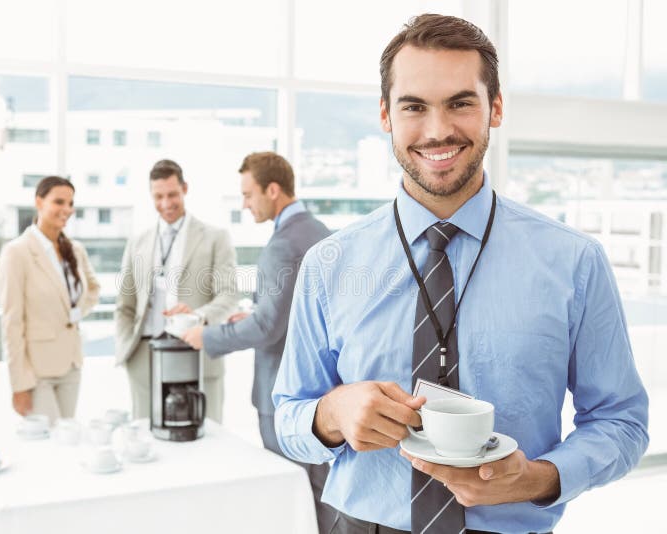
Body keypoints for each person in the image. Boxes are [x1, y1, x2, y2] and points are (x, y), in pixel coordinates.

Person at [272, 14, 649, 534]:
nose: (437, 130)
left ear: (494, 108)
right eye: (414, 107)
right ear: (386, 115)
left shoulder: (574, 262)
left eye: (460, 102)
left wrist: (538, 478)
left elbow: (622, 421)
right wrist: (330, 415)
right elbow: (288, 415)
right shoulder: (327, 264)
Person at [181, 152, 336, 534]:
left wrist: (208, 336)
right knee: (320, 491)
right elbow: (290, 314)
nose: (245, 204)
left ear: (272, 189)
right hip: (324, 391)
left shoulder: (282, 245)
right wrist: (250, 315)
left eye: (248, 194)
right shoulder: (321, 232)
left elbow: (268, 328)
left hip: (283, 393)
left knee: (294, 497)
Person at [116, 159, 237, 422]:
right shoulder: (137, 242)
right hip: (145, 355)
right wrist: (126, 347)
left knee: (204, 438)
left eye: (172, 194)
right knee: (148, 439)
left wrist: (198, 316)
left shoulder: (216, 237)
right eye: (158, 196)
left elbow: (229, 295)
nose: (166, 203)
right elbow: (124, 305)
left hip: (196, 353)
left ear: (185, 189)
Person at [0, 176, 100, 423]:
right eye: (59, 202)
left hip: (71, 363)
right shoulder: (17, 252)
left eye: (71, 203)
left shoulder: (75, 250)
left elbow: (93, 289)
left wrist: (74, 313)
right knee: (48, 444)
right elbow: (12, 322)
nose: (67, 210)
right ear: (39, 202)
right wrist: (18, 384)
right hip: (37, 370)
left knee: (68, 437)